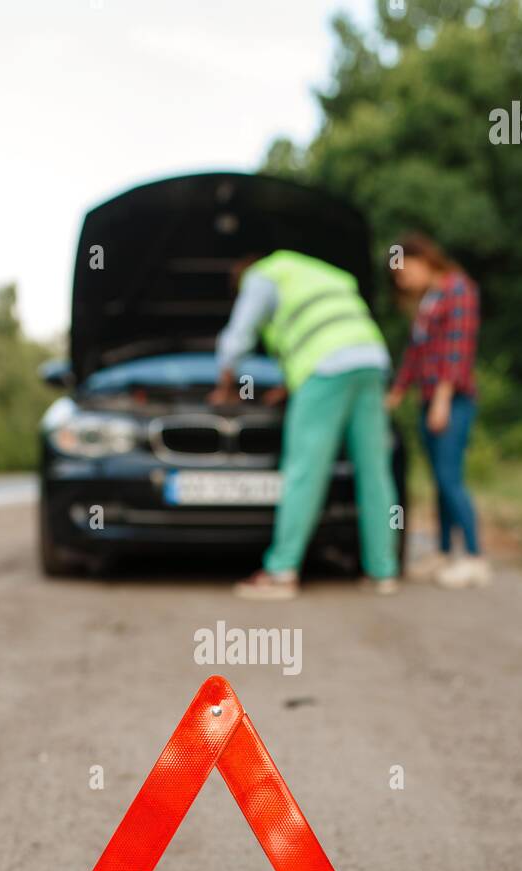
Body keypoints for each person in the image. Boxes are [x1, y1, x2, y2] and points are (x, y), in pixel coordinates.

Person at [209, 250, 400, 599]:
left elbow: (239, 334)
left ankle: (281, 572)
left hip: (325, 367)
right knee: (375, 471)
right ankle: (382, 571)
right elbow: (316, 328)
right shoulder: (318, 271)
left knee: (305, 470)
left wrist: (224, 382)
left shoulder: (262, 276)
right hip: (370, 359)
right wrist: (289, 385)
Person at [386, 234, 490, 588]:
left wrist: (443, 399)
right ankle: (444, 552)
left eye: (404, 272)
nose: (402, 281)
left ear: (422, 259)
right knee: (438, 480)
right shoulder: (429, 301)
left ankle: (475, 558)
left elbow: (457, 350)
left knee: (450, 478)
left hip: (452, 399)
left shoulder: (458, 289)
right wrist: (397, 392)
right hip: (428, 398)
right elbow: (416, 353)